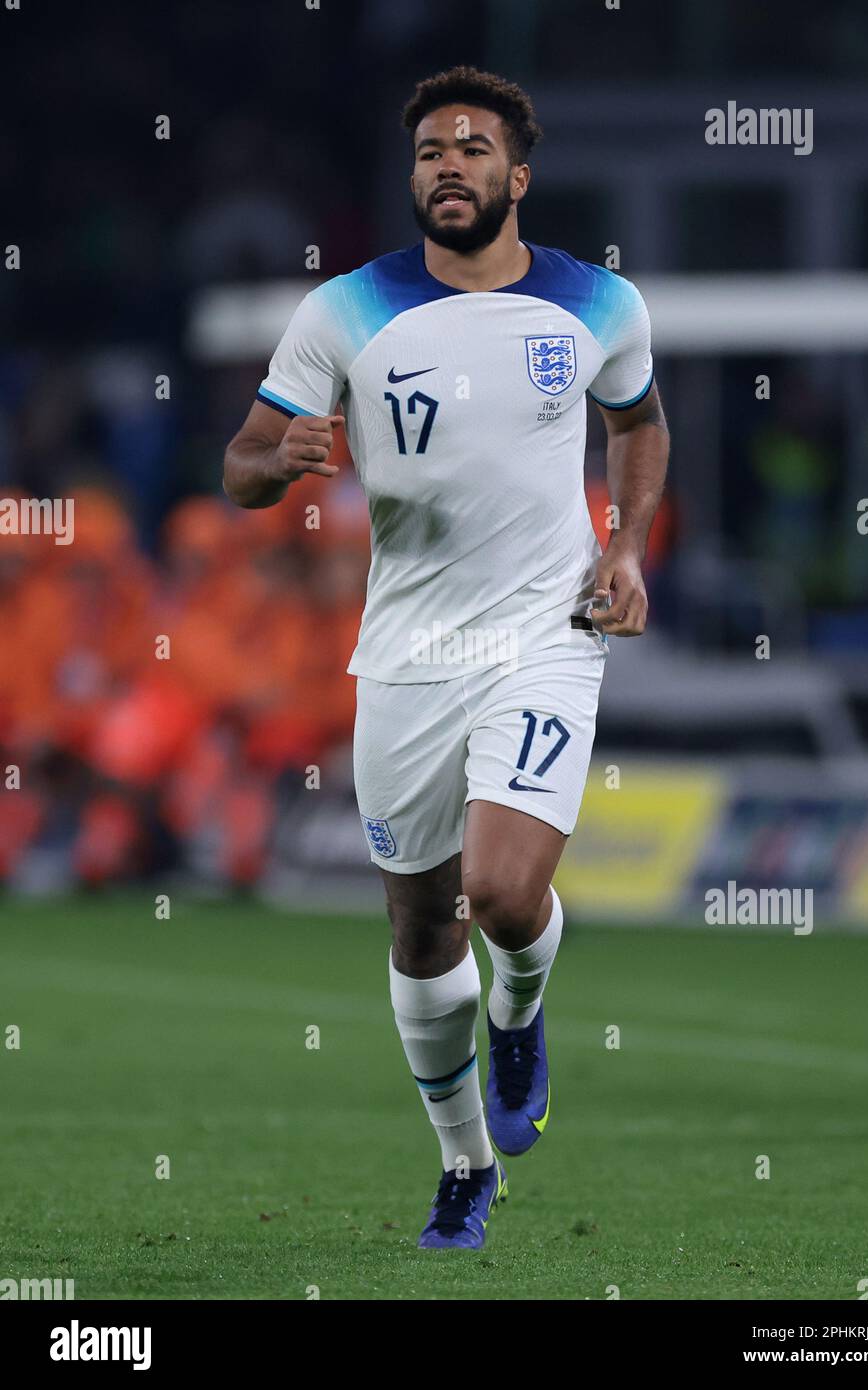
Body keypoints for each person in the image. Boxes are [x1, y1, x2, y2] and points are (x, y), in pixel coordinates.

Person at [224, 65, 670, 1250]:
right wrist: (286, 461)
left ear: (516, 177)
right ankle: (466, 1164)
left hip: (545, 633)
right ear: (412, 177)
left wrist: (623, 548)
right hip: (409, 650)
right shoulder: (345, 312)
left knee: (504, 893)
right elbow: (242, 464)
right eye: (429, 152)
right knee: (423, 929)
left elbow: (639, 421)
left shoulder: (598, 305)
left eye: (473, 150)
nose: (450, 166)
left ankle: (520, 1011)